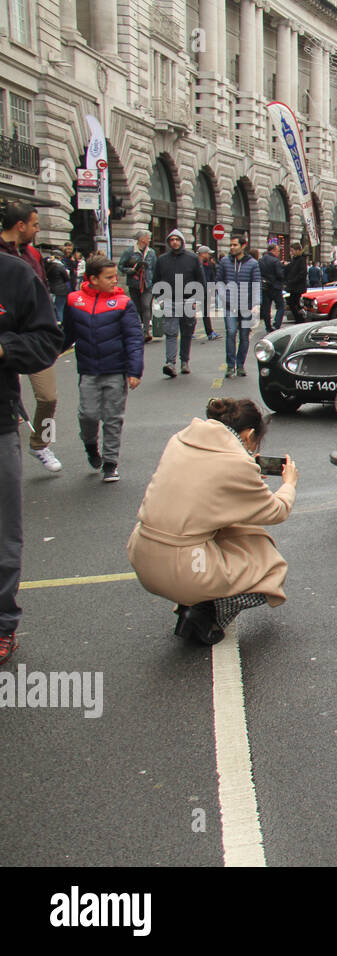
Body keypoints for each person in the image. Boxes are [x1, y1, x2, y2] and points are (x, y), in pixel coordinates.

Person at [127, 398, 298, 646]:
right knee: (271, 568)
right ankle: (206, 613)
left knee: (230, 527)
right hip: (185, 569)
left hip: (142, 554)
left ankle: (195, 604)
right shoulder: (236, 462)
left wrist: (247, 468)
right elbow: (276, 511)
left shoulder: (179, 441)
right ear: (249, 435)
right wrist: (289, 484)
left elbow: (199, 489)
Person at [0, 242, 64, 663]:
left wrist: (5, 349)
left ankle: (3, 623)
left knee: (3, 534)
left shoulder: (14, 274)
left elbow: (48, 340)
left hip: (1, 420)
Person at [61, 255, 144, 483]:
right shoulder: (74, 301)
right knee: (87, 415)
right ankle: (90, 446)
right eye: (109, 277)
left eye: (115, 276)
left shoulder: (123, 303)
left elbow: (134, 339)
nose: (114, 281)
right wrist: (48, 352)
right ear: (93, 279)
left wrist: (134, 371)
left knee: (113, 417)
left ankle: (110, 463)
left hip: (116, 371)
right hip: (88, 371)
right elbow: (66, 334)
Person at [0, 201, 62, 474]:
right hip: (7, 336)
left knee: (48, 396)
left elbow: (43, 292)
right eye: (35, 224)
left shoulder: (33, 256)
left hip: (31, 336)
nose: (38, 230)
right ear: (21, 225)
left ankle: (41, 443)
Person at [154, 229, 205, 377]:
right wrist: (160, 299)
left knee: (187, 333)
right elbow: (156, 281)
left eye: (177, 239)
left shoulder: (192, 258)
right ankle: (170, 363)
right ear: (168, 242)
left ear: (182, 241)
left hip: (188, 300)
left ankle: (185, 362)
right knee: (171, 333)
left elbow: (200, 280)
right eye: (171, 239)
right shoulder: (162, 260)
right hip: (169, 300)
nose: (174, 242)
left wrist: (196, 300)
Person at [216, 235, 261, 378]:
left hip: (246, 305)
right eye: (230, 245)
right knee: (230, 332)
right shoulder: (224, 262)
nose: (231, 248)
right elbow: (219, 282)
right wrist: (225, 297)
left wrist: (256, 303)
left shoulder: (253, 264)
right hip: (230, 305)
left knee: (244, 336)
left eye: (234, 245)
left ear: (243, 246)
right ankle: (230, 365)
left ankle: (240, 364)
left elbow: (256, 284)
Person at [118, 231, 156, 342]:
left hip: (148, 284)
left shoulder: (151, 253)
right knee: (137, 307)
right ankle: (138, 329)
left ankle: (146, 331)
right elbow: (121, 266)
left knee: (146, 305)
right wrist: (132, 270)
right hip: (134, 284)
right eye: (148, 238)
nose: (149, 240)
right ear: (142, 239)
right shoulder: (129, 252)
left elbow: (154, 268)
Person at [258, 241, 286, 333]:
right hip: (275, 287)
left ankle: (268, 327)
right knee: (281, 306)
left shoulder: (261, 260)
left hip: (265, 287)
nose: (278, 253)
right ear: (273, 251)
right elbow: (280, 274)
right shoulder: (275, 261)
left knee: (266, 308)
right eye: (278, 251)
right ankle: (276, 324)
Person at [196, 246, 221, 341]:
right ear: (202, 254)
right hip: (195, 289)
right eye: (207, 253)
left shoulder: (209, 265)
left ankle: (210, 332)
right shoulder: (196, 264)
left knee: (205, 312)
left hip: (206, 290)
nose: (209, 255)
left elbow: (212, 277)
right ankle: (190, 332)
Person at [44, 249, 71, 326]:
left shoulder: (48, 265)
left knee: (54, 307)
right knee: (60, 308)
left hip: (51, 289)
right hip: (61, 290)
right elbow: (67, 278)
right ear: (59, 257)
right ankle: (60, 325)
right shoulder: (60, 266)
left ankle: (54, 323)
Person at [283, 242, 307, 325]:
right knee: (292, 303)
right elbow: (290, 269)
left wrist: (292, 281)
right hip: (293, 286)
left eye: (292, 250)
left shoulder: (301, 260)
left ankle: (300, 319)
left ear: (297, 250)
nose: (291, 252)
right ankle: (299, 318)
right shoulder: (295, 259)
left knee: (294, 303)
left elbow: (302, 273)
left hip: (298, 286)